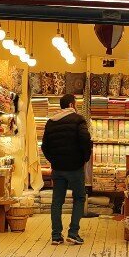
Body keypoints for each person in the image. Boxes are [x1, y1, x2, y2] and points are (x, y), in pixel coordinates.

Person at [41, 94, 93, 245]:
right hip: (75, 167)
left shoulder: (51, 122)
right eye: (76, 104)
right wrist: (84, 158)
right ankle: (73, 233)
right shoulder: (78, 120)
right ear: (71, 104)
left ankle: (56, 235)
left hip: (58, 168)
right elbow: (85, 139)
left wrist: (53, 160)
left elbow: (44, 146)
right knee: (79, 198)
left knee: (57, 201)